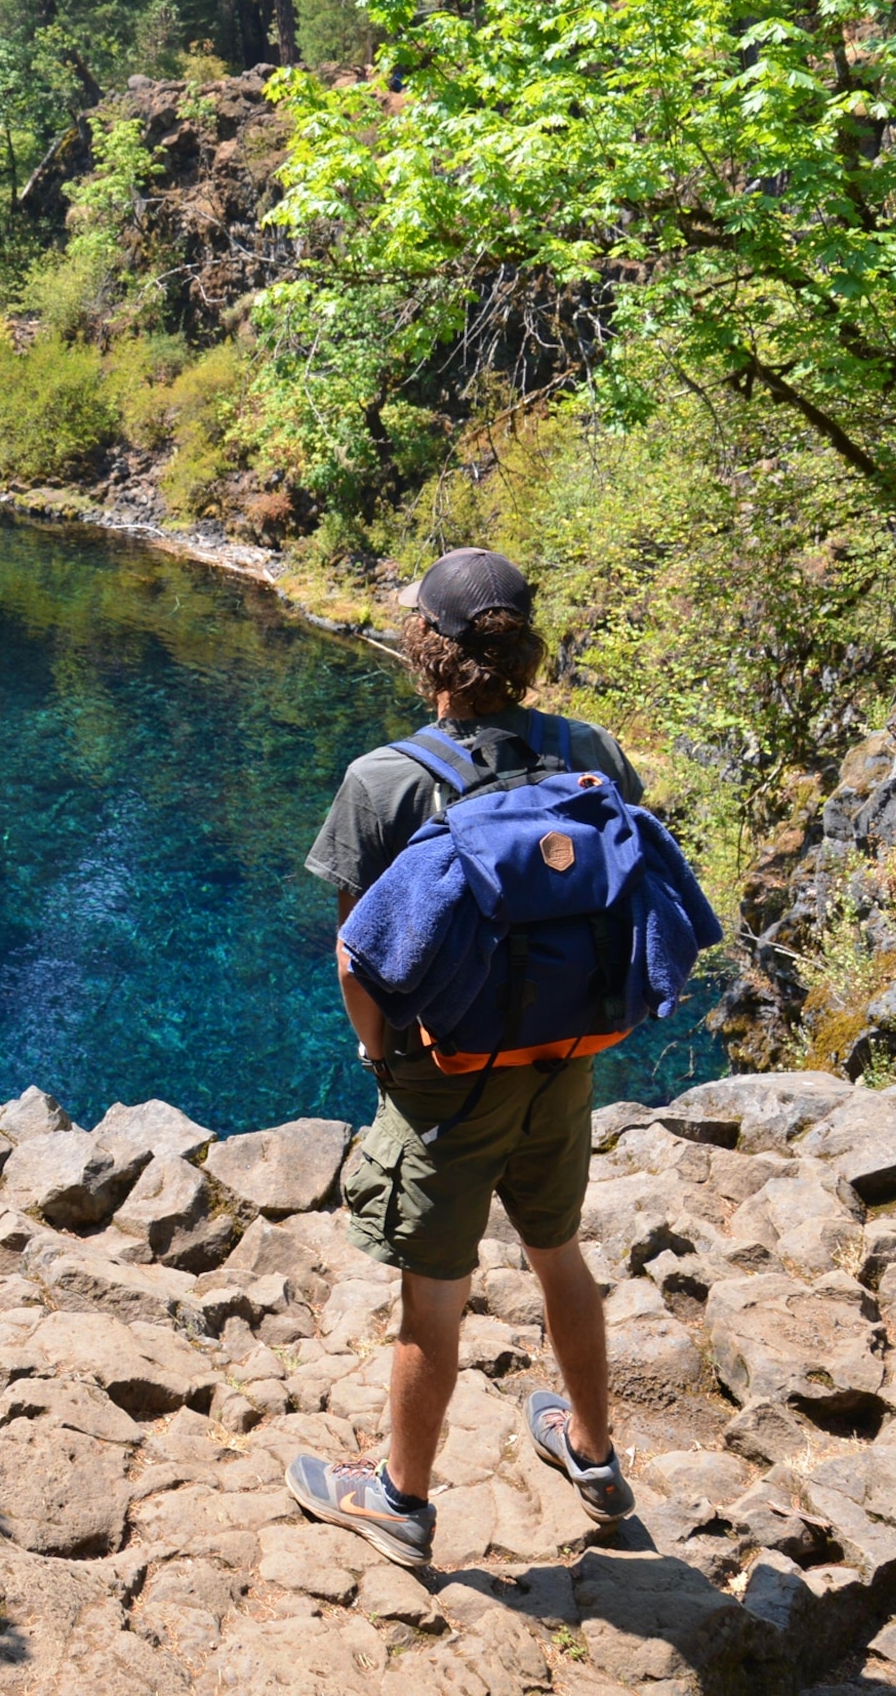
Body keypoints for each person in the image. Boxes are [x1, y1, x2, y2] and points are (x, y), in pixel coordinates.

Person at [283, 546, 640, 1566]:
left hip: (445, 1081)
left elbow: (358, 956)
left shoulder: (385, 781)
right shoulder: (592, 752)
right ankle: (593, 1453)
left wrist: (378, 1053)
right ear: (525, 647)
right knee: (557, 1250)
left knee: (434, 1296)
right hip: (565, 1058)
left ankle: (400, 1496)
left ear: (425, 648)